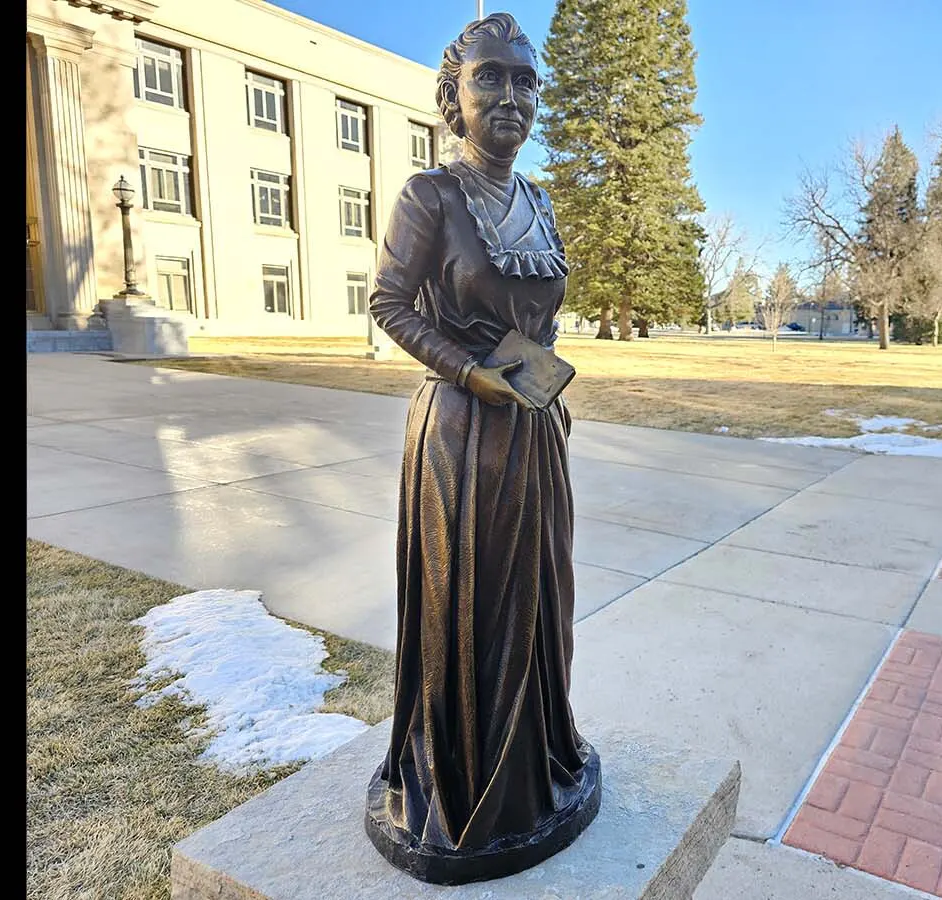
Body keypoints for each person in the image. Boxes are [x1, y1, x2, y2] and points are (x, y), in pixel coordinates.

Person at [362, 13, 600, 884]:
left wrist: (541, 383)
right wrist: (469, 372)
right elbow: (389, 305)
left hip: (532, 430)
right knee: (472, 604)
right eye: (490, 77)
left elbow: (542, 317)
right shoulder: (430, 196)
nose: (511, 95)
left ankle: (534, 766)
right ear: (453, 97)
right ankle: (466, 785)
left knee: (539, 597)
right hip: (461, 438)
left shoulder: (539, 200)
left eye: (525, 80)